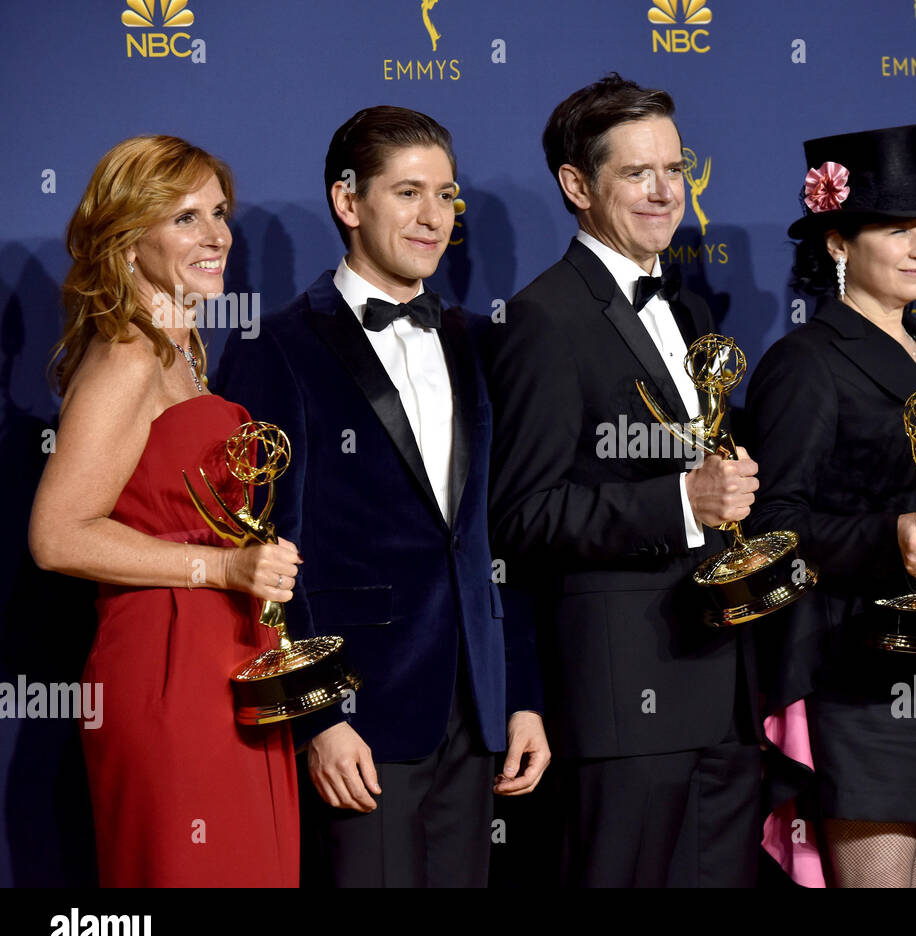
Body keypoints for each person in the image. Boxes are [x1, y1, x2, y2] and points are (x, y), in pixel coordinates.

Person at [214, 105, 548, 888]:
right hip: (359, 714)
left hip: (475, 708)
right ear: (348, 202)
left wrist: (522, 695)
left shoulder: (474, 340)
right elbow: (260, 548)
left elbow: (496, 534)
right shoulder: (277, 348)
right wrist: (317, 716)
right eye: (408, 193)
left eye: (445, 194)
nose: (434, 217)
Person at [484, 74, 762, 887]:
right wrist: (683, 502)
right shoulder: (543, 319)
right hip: (622, 700)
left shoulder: (689, 314)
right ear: (577, 185)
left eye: (675, 170)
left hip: (723, 684)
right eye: (638, 173)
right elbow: (521, 515)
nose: (664, 191)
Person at [745, 125, 916, 888]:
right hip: (866, 674)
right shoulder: (805, 362)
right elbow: (773, 528)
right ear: (837, 241)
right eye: (897, 228)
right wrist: (884, 536)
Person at [28, 135, 300, 886]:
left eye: (219, 213)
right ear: (126, 237)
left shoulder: (182, 354)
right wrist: (221, 566)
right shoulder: (127, 357)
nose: (216, 237)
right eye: (185, 218)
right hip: (168, 668)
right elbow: (56, 536)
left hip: (228, 659)